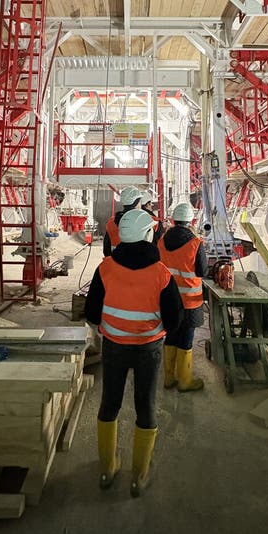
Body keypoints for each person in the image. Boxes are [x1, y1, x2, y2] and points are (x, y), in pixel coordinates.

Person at [85, 209, 183, 497]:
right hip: (148, 350)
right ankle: (139, 474)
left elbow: (91, 312)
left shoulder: (105, 269)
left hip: (114, 347)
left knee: (109, 404)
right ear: (147, 235)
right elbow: (175, 320)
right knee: (146, 406)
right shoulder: (162, 274)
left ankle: (107, 469)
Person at [158, 202, 208, 392]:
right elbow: (202, 271)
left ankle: (169, 378)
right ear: (191, 221)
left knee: (170, 334)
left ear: (173, 220)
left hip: (168, 299)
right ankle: (185, 381)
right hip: (190, 301)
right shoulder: (195, 244)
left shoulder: (162, 241)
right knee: (186, 338)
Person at [102, 186, 141, 257]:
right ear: (137, 203)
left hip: (115, 262)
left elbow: (106, 249)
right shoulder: (142, 221)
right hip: (137, 264)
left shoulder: (112, 222)